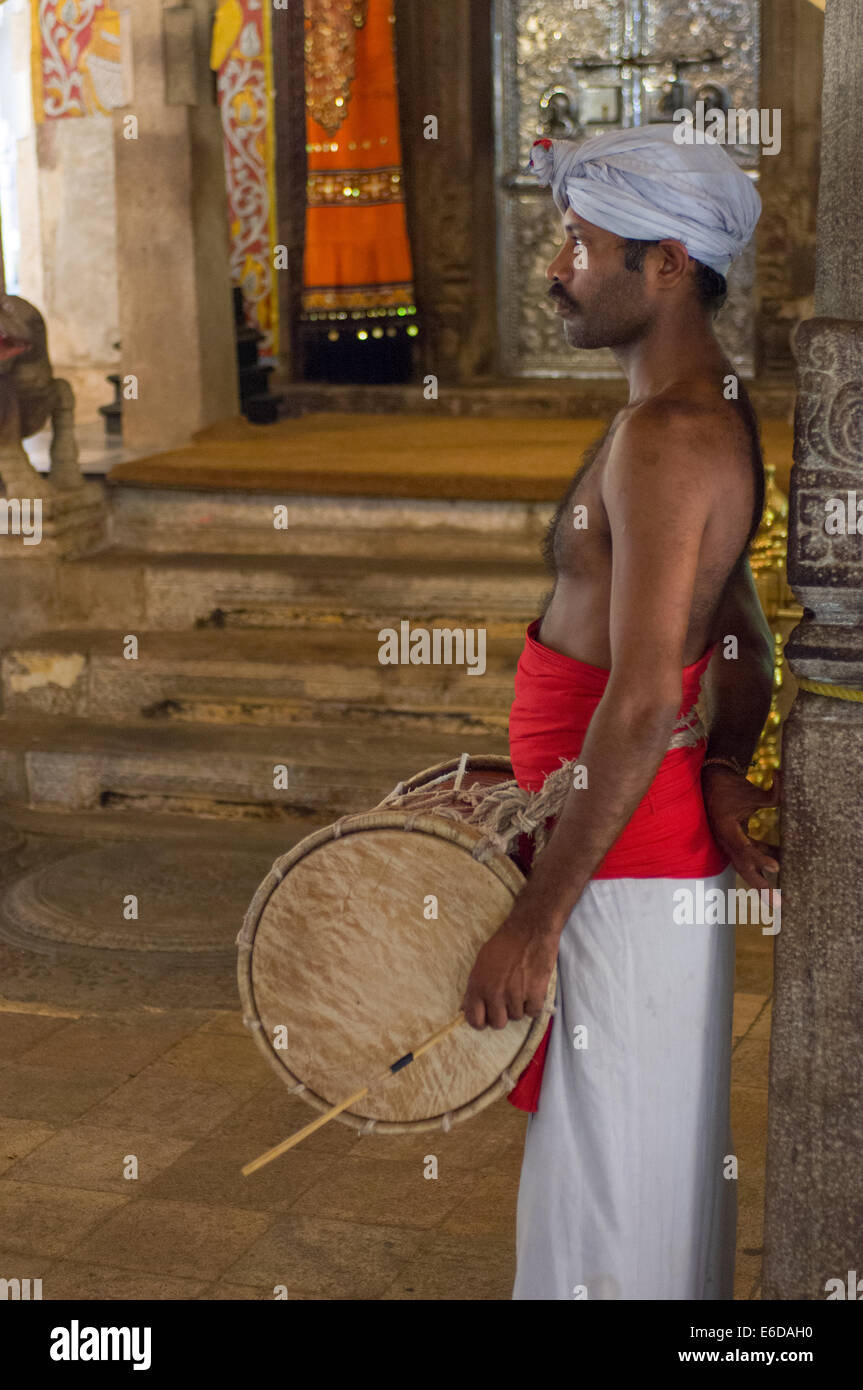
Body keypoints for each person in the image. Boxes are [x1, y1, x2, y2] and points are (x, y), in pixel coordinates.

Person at [460, 125, 780, 1300]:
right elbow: (736, 616)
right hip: (619, 843)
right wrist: (726, 760)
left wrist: (536, 919)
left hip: (614, 879)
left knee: (606, 1211)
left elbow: (644, 696)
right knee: (636, 1180)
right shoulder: (696, 410)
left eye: (579, 244)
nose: (557, 267)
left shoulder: (669, 434)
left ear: (666, 265)